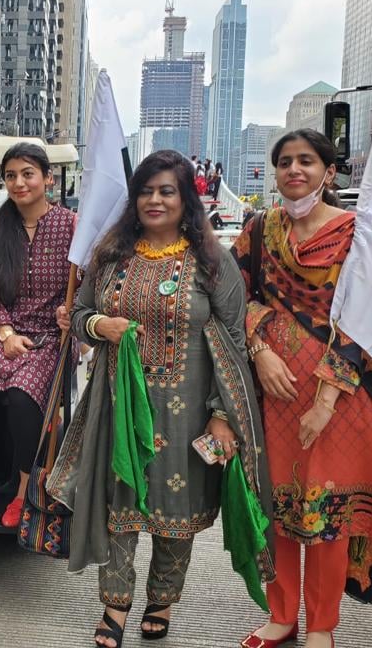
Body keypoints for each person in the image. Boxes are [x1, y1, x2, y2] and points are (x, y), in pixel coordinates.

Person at [51, 150, 270, 648]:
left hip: (188, 410)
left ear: (185, 199)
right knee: (119, 505)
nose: (155, 200)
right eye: (146, 191)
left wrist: (222, 416)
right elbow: (80, 312)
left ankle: (162, 600)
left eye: (166, 191)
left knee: (177, 512)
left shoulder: (212, 262)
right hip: (118, 405)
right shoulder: (110, 256)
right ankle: (115, 605)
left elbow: (233, 341)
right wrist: (99, 325)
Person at [232, 129, 372, 648]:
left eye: (306, 161)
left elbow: (366, 320)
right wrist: (259, 349)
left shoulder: (357, 233)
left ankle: (322, 625)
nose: (294, 170)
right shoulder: (260, 231)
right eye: (285, 162)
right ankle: (281, 617)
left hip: (339, 398)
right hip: (272, 395)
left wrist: (326, 400)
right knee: (274, 509)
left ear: (329, 172)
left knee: (328, 514)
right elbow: (230, 297)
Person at [0, 143, 75, 527]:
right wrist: (5, 331)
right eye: (11, 176)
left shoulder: (72, 226)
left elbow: (88, 283)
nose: (19, 183)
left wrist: (72, 310)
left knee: (24, 398)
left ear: (47, 179)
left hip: (49, 333)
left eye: (28, 174)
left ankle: (25, 488)